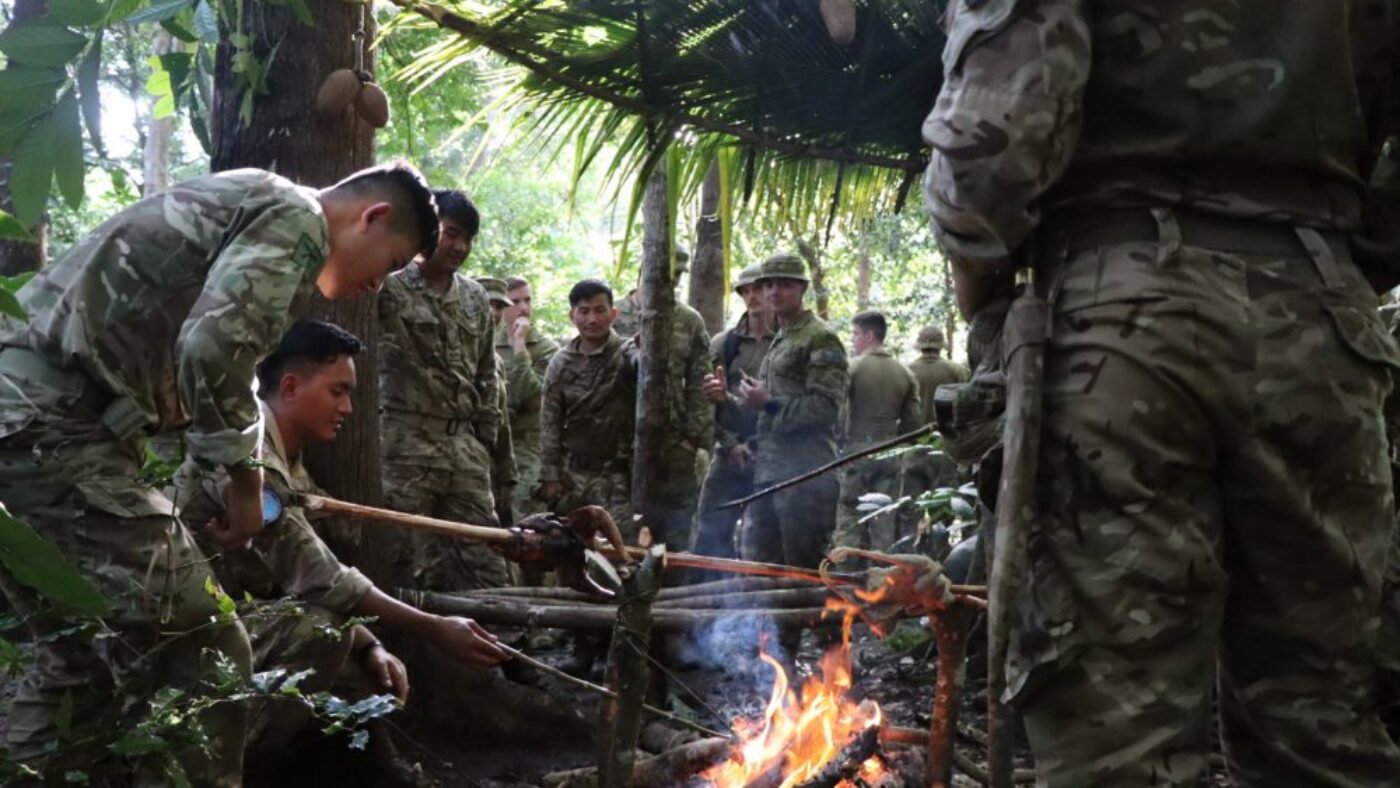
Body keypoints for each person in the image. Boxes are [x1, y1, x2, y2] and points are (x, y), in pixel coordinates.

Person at [924, 2, 1400, 784]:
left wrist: (981, 286)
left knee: (1117, 737)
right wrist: (1338, 267)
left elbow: (994, 134)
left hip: (1122, 328)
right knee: (1320, 719)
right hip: (1320, 325)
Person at [0, 162, 438, 784]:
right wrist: (244, 481)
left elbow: (198, 358)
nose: (377, 287)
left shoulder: (258, 201)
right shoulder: (298, 220)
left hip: (27, 421)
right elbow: (213, 349)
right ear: (374, 217)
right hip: (54, 427)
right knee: (207, 643)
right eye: (391, 264)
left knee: (77, 658)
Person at [173, 320, 508, 774]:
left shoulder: (285, 456)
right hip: (180, 638)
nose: (349, 408)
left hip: (231, 621)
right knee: (321, 631)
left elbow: (304, 575)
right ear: (290, 387)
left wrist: (370, 645)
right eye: (338, 392)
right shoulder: (250, 462)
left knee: (352, 657)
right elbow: (321, 579)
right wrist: (433, 628)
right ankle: (212, 768)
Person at [377, 189, 509, 591]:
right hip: (404, 450)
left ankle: (501, 643)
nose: (460, 246)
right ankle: (398, 648)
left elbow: (488, 371)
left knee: (486, 559)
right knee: (400, 558)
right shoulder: (389, 288)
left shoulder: (473, 297)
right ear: (428, 228)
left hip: (464, 449)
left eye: (467, 238)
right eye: (452, 233)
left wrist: (482, 441)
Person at [715, 254, 847, 574]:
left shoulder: (819, 337)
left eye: (784, 285)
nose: (774, 292)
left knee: (805, 570)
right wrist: (729, 400)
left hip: (805, 475)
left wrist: (769, 403)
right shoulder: (782, 338)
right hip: (769, 473)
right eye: (769, 285)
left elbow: (827, 408)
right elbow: (765, 412)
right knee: (761, 566)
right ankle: (769, 626)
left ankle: (813, 625)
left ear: (802, 288)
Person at [613, 246, 714, 550]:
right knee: (622, 535)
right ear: (643, 269)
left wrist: (691, 439)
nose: (668, 282)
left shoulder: (689, 321)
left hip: (673, 448)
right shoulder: (613, 314)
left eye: (676, 276)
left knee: (676, 537)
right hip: (618, 445)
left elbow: (700, 383)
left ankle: (674, 596)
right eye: (661, 274)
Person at [538, 279, 639, 534]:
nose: (592, 319)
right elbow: (550, 421)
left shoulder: (626, 352)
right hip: (572, 475)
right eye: (584, 311)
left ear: (613, 314)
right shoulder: (561, 363)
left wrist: (645, 352)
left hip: (616, 478)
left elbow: (641, 362)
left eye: (599, 310)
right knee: (567, 547)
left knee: (621, 551)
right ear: (572, 315)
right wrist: (550, 476)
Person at [694, 264, 772, 560]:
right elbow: (707, 403)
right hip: (729, 454)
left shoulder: (786, 342)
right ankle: (705, 601)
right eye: (746, 290)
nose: (752, 296)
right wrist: (730, 444)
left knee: (763, 542)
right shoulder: (725, 344)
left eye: (759, 289)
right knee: (710, 533)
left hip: (771, 456)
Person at [832, 311, 920, 557]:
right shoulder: (905, 373)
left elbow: (840, 412)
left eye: (856, 335)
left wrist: (840, 442)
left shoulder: (854, 367)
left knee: (849, 519)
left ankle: (843, 576)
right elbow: (913, 424)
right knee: (884, 522)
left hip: (857, 453)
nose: (854, 341)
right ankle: (881, 581)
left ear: (870, 335)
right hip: (891, 454)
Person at [495, 275, 559, 524]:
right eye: (515, 302)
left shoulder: (546, 349)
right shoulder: (487, 340)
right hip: (491, 445)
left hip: (526, 448)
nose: (523, 307)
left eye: (528, 300)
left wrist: (519, 346)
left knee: (526, 520)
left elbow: (534, 398)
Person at [900, 325, 970, 541]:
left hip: (913, 449)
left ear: (920, 344)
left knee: (910, 510)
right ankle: (942, 556)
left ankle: (909, 553)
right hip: (945, 449)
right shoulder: (957, 372)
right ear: (941, 345)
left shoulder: (907, 371)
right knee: (944, 508)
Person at [477, 276, 520, 529]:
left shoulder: (497, 362)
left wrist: (507, 477)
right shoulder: (451, 354)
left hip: (490, 466)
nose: (493, 313)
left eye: (500, 307)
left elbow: (501, 421)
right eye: (487, 304)